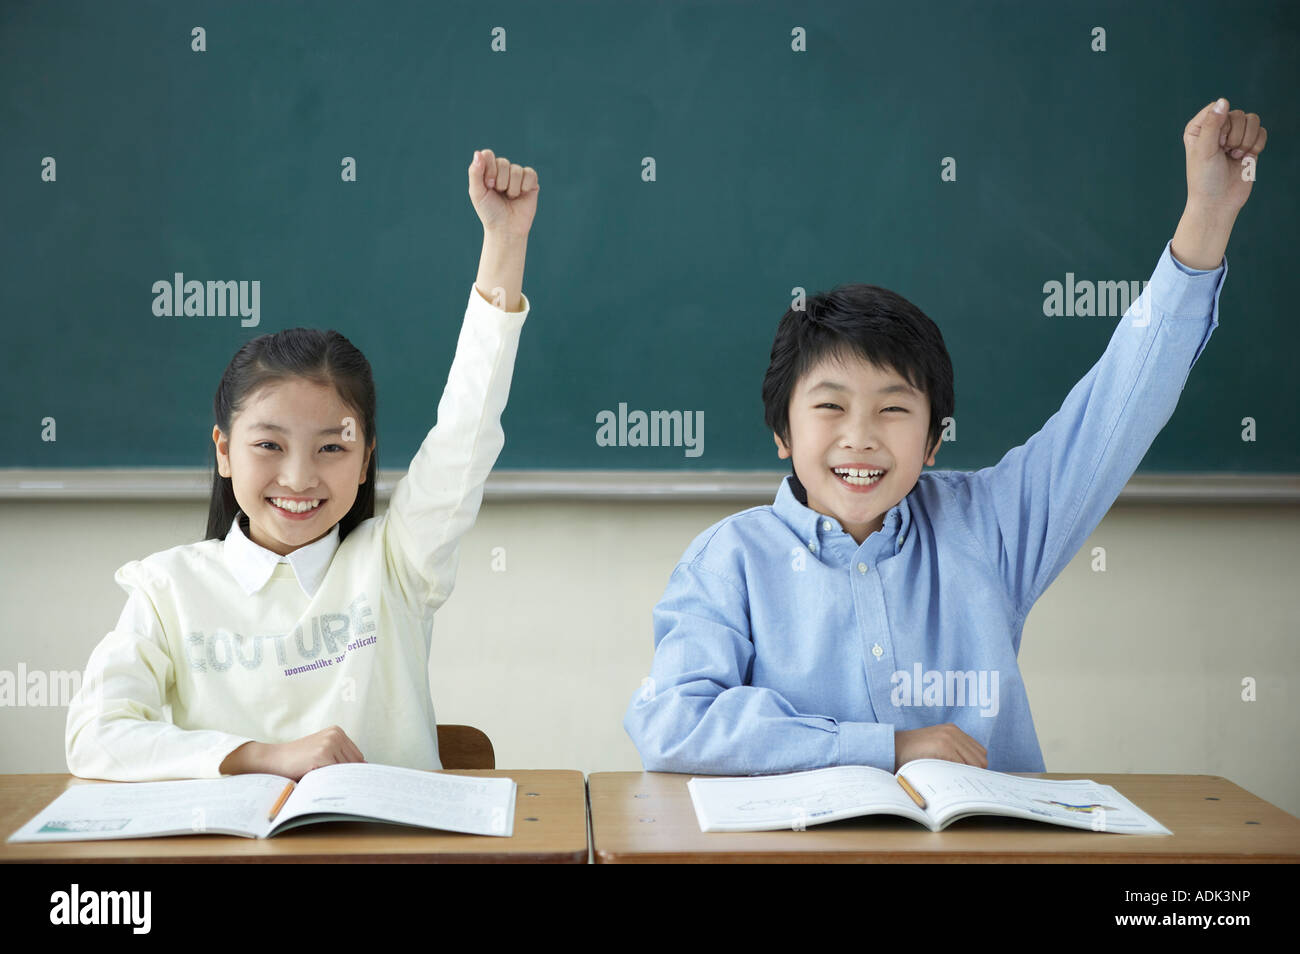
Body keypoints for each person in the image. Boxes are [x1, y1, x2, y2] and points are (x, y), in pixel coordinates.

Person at [624, 98, 1267, 776]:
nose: (860, 438)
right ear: (783, 429)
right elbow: (673, 721)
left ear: (934, 440)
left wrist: (1208, 215)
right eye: (831, 407)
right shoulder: (731, 561)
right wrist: (885, 746)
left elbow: (1119, 407)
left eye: (893, 410)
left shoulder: (990, 527)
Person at [65, 149, 539, 781]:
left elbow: (467, 428)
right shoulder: (168, 589)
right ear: (224, 451)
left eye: (332, 447)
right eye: (269, 445)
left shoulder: (398, 563)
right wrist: (264, 756)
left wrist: (504, 242)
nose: (298, 478)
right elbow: (95, 735)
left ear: (366, 460)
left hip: (386, 839)